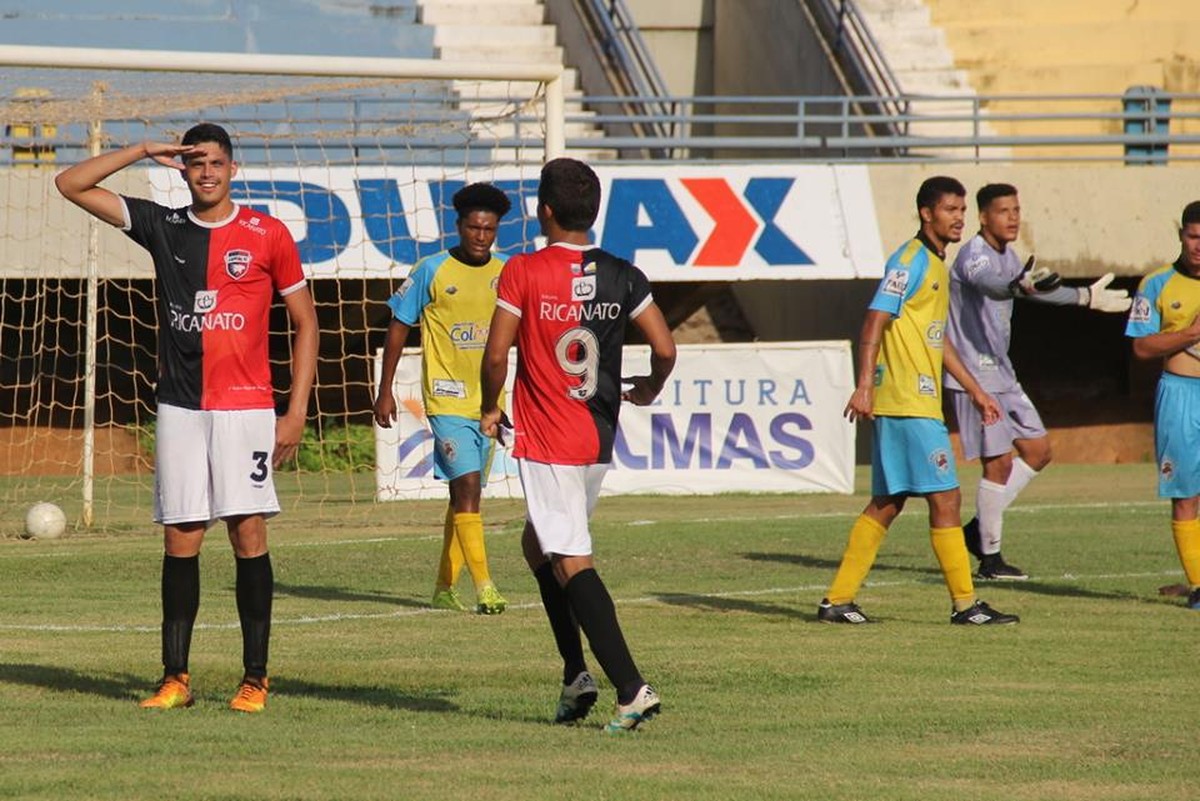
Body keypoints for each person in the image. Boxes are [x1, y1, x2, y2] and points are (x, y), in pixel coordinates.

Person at [55, 124, 318, 712]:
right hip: (179, 407)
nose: (206, 172)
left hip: (247, 409)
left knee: (247, 532)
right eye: (195, 163)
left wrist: (294, 410)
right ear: (183, 169)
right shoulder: (163, 226)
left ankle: (255, 678)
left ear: (232, 169)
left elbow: (307, 322)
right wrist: (145, 150)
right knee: (182, 538)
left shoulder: (266, 233)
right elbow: (69, 183)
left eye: (216, 163)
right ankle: (176, 678)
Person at [480, 157, 677, 732]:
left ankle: (631, 687)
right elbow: (665, 348)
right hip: (597, 435)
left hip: (549, 437)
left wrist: (492, 406)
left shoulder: (522, 270)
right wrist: (650, 386)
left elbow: (496, 355)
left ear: (544, 211)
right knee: (537, 546)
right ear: (593, 212)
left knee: (570, 557)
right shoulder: (622, 272)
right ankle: (574, 674)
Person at [818, 176, 1019, 626]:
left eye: (962, 210)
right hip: (907, 401)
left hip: (915, 402)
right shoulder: (908, 261)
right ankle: (967, 605)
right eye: (950, 209)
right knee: (945, 496)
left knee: (888, 503)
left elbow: (938, 339)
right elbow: (873, 320)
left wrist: (975, 389)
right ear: (926, 213)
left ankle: (837, 600)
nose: (959, 218)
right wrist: (864, 384)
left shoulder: (935, 264)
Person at [947, 183, 1132, 580]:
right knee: (997, 465)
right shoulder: (974, 256)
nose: (1013, 217)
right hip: (974, 375)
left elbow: (1030, 291)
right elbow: (991, 286)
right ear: (983, 217)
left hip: (1003, 372)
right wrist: (1016, 286)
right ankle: (990, 560)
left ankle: (978, 530)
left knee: (1038, 451)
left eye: (1016, 209)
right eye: (1003, 211)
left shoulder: (1008, 255)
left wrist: (1083, 297)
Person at [374, 183, 512, 615]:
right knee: (467, 488)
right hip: (447, 400)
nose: (481, 237)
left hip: (490, 403)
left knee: (465, 497)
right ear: (459, 226)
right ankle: (486, 586)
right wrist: (385, 389)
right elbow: (398, 324)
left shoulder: (507, 272)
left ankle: (443, 586)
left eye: (489, 229)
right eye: (474, 227)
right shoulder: (431, 269)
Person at [1125, 200, 1200, 610]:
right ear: (1182, 237)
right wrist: (1190, 334)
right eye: (1193, 236)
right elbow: (1141, 346)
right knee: (1186, 494)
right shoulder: (1156, 283)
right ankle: (1199, 584)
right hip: (1181, 395)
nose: (1199, 245)